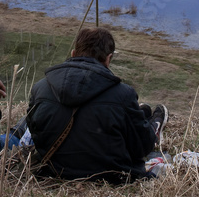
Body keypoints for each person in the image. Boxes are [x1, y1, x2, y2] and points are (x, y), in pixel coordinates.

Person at [26, 27, 168, 183]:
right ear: (108, 59)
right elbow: (143, 147)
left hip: (52, 173)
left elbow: (34, 133)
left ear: (73, 54)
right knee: (143, 128)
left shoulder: (39, 89)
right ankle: (153, 123)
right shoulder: (123, 95)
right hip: (112, 178)